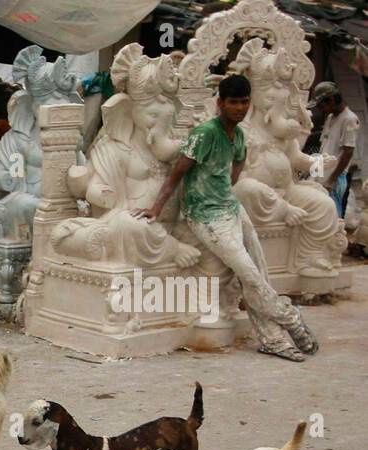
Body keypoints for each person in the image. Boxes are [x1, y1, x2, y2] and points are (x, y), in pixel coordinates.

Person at [136, 73, 319, 362]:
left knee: (259, 273)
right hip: (204, 217)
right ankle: (289, 318)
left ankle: (272, 340)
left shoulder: (240, 135)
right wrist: (156, 209)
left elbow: (236, 168)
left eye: (244, 102)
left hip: (232, 209)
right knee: (248, 273)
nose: (240, 108)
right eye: (233, 102)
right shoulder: (205, 133)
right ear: (220, 103)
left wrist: (223, 193)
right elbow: (177, 173)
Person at [311, 80, 359, 218]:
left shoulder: (349, 119)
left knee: (332, 217)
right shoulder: (331, 117)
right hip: (321, 170)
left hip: (335, 176)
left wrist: (332, 179)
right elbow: (324, 147)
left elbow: (348, 151)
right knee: (319, 214)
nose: (320, 109)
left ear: (331, 100)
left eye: (321, 105)